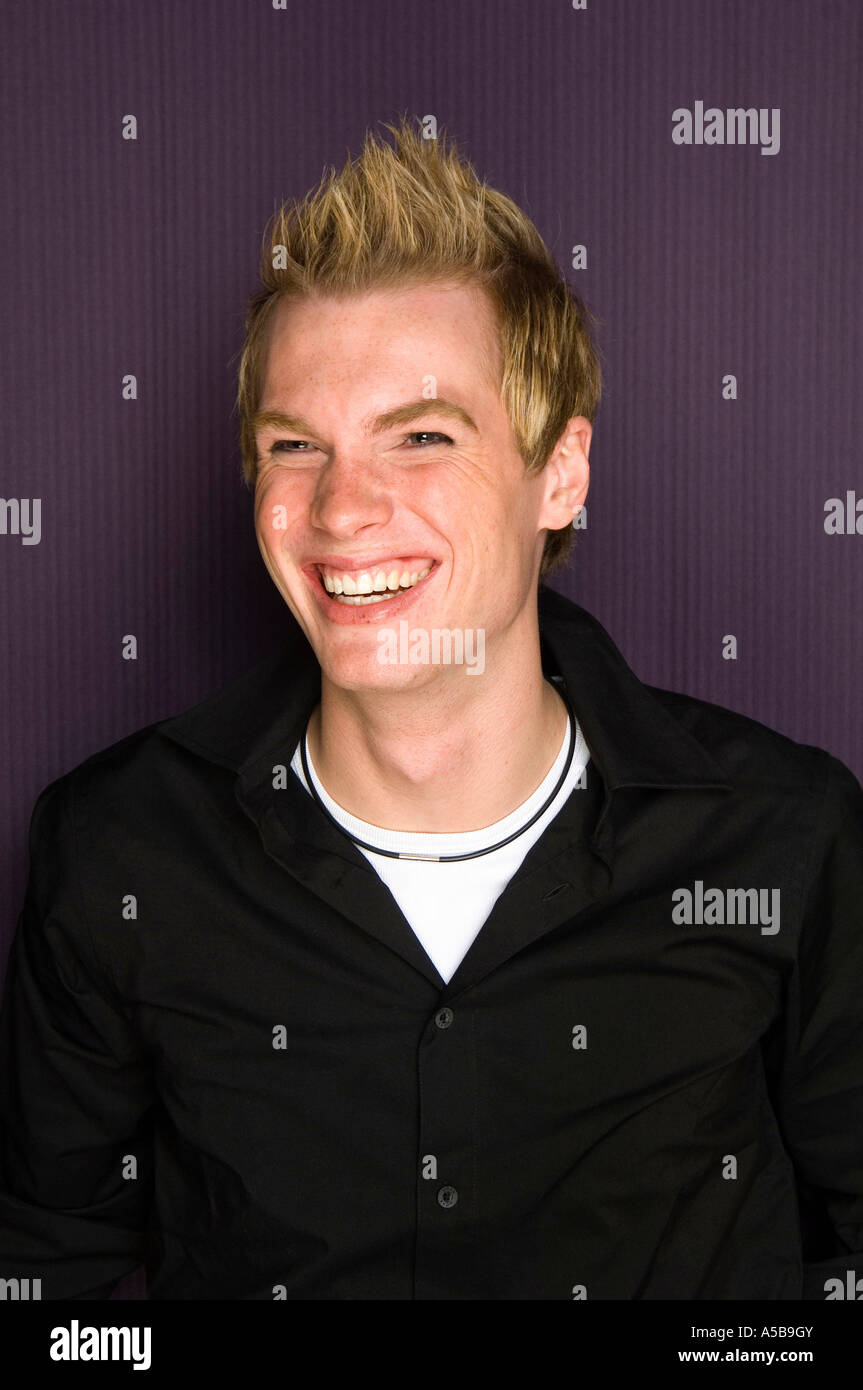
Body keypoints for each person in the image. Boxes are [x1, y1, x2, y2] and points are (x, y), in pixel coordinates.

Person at [1, 118, 861, 1302]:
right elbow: (54, 1277)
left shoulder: (785, 834)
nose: (343, 510)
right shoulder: (116, 847)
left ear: (557, 473)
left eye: (419, 436)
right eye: (295, 444)